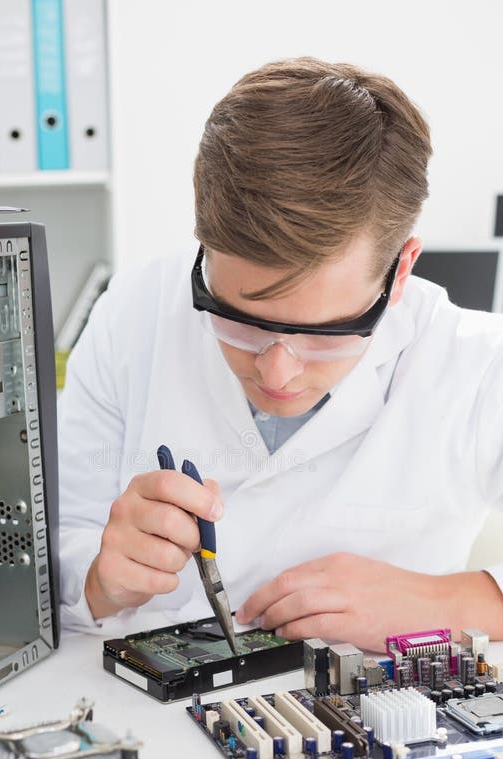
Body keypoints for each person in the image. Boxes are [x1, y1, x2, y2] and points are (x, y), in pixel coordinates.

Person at [57, 57, 503, 652]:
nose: (277, 370)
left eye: (328, 333)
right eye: (240, 321)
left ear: (401, 272)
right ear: (204, 250)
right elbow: (51, 541)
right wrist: (99, 578)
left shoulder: (475, 365)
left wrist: (453, 601)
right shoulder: (134, 312)